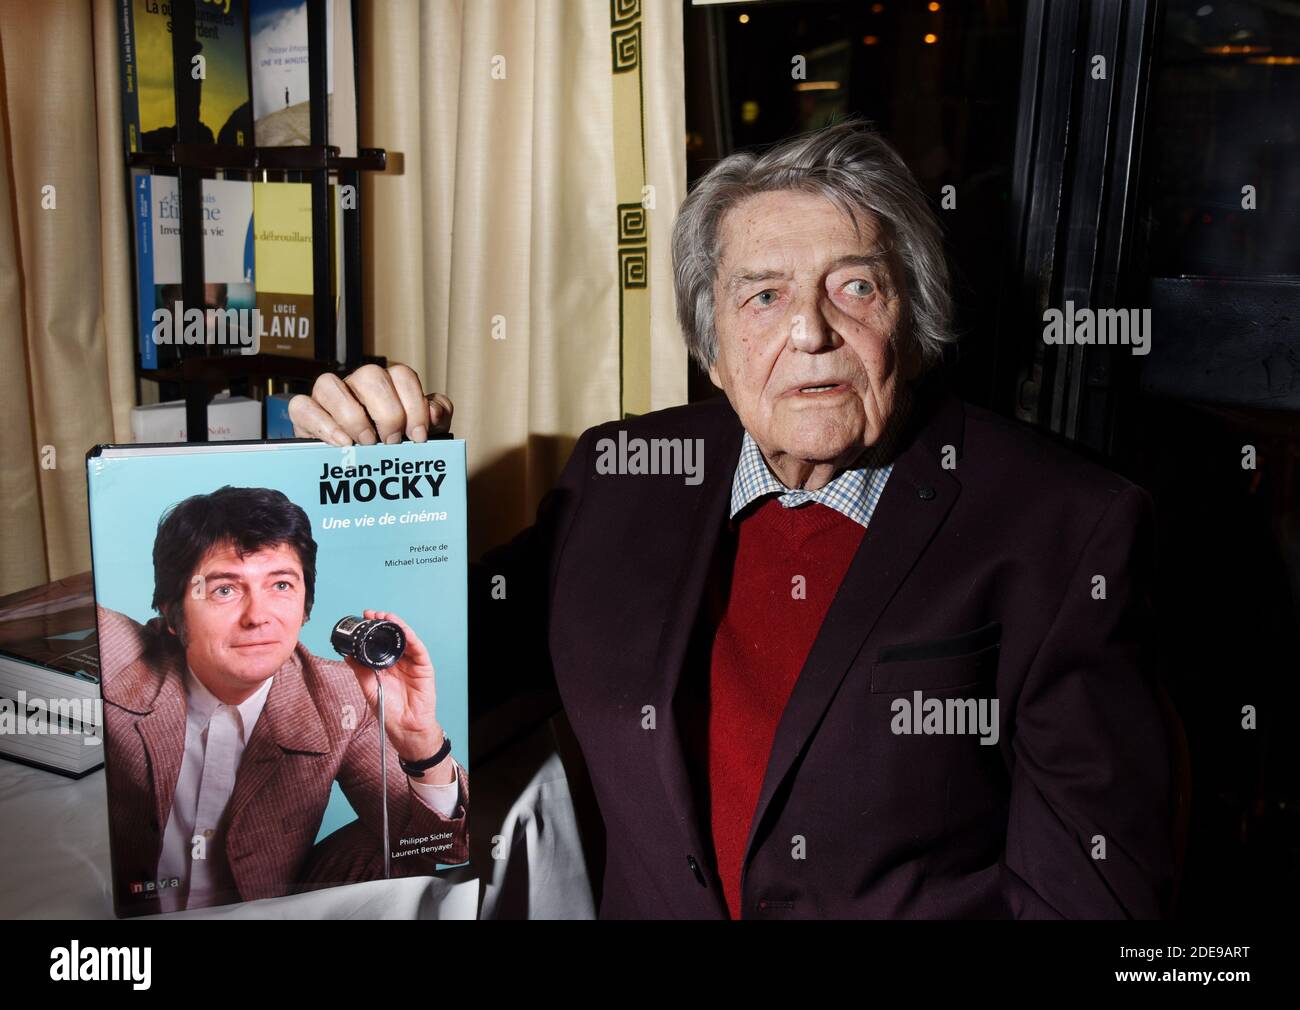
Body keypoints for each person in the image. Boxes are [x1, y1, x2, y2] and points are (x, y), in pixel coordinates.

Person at [290, 120, 1174, 919]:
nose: (811, 334)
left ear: (918, 318)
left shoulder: (1066, 529)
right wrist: (385, 481)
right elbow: (440, 675)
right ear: (710, 349)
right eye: (763, 297)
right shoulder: (621, 480)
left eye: (856, 287)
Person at [97, 485, 468, 916]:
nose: (258, 617)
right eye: (223, 590)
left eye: (281, 584)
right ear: (172, 611)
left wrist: (420, 740)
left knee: (396, 835)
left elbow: (445, 847)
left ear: (306, 606)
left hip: (269, 912)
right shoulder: (121, 656)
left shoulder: (339, 694)